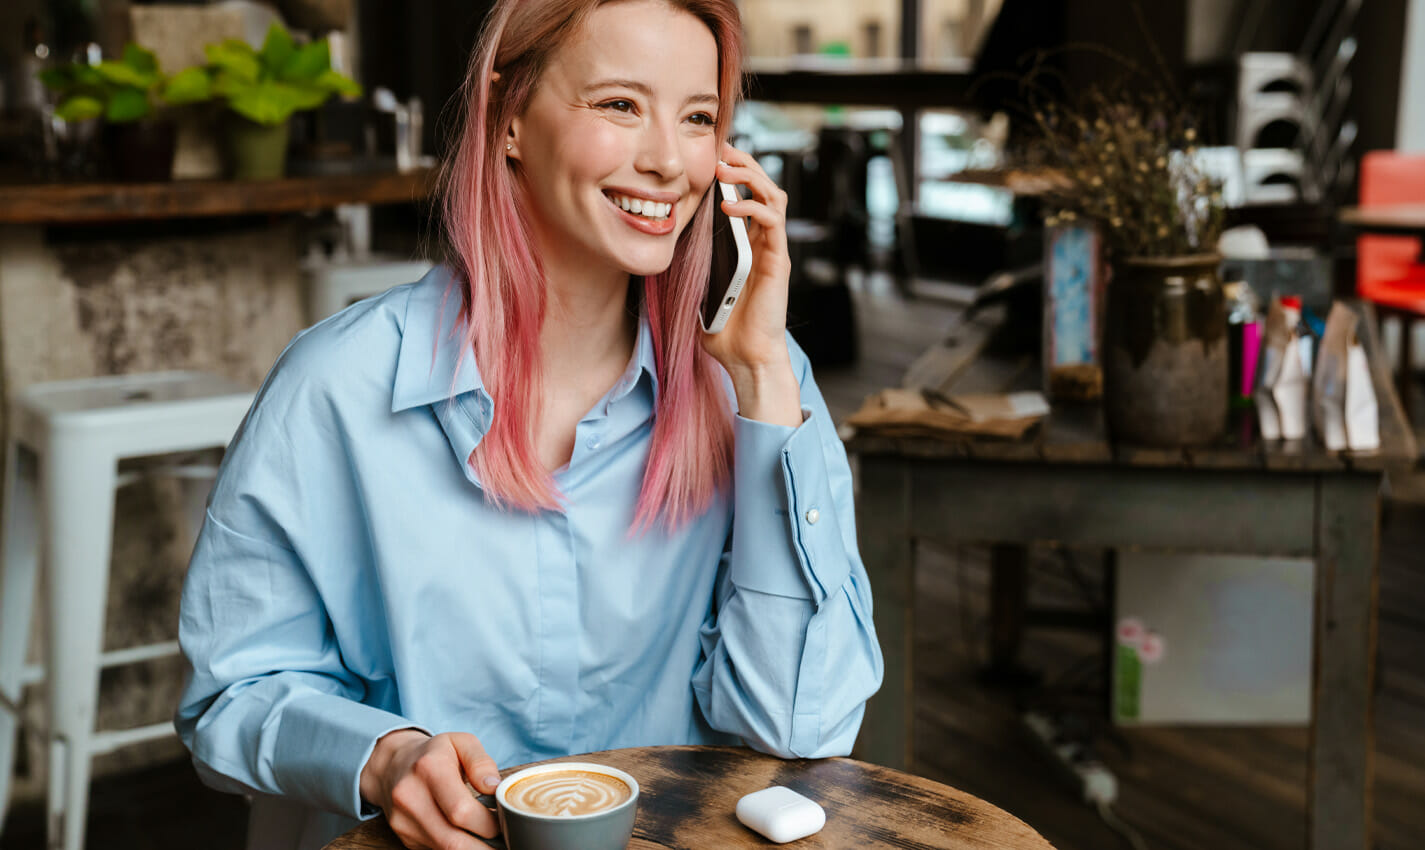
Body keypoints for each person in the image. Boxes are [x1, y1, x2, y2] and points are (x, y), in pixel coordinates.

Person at [174, 1, 883, 848]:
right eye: (620, 104)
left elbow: (798, 727)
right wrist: (384, 758)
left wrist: (764, 375)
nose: (667, 161)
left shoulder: (757, 385)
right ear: (509, 119)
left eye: (698, 118)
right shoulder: (335, 387)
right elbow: (229, 695)